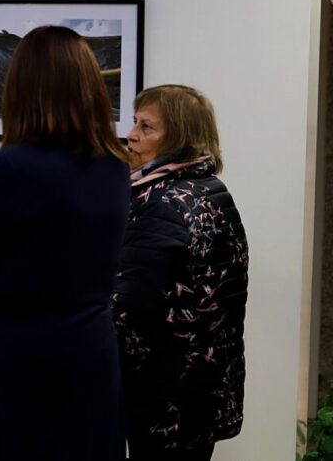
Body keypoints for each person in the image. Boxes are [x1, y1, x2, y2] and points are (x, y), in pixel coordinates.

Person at [0, 25, 130, 461]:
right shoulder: (115, 166)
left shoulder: (11, 167)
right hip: (91, 352)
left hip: (18, 354)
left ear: (22, 86)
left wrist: (6, 292)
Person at [114, 85, 248, 461]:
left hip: (166, 395)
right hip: (202, 388)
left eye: (147, 127)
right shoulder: (209, 189)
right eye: (135, 122)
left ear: (178, 140)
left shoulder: (162, 202)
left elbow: (129, 307)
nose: (132, 135)